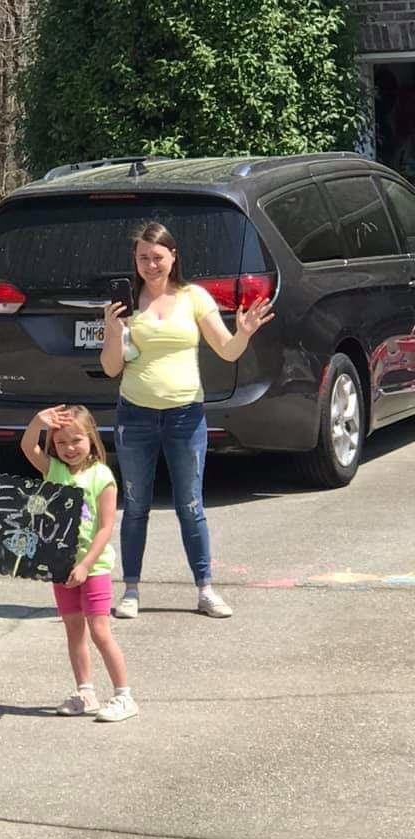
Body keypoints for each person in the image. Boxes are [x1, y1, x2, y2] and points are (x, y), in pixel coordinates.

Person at [101, 221, 273, 619]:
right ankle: (130, 591)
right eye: (142, 258)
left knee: (190, 504)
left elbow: (228, 351)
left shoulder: (194, 297)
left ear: (173, 256)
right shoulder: (126, 306)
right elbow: (111, 368)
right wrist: (112, 331)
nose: (150, 265)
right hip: (136, 416)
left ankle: (205, 589)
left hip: (185, 416)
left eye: (157, 257)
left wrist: (244, 331)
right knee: (137, 504)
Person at [21, 404, 138, 722]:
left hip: (93, 567)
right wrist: (37, 421)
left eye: (76, 440)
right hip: (61, 566)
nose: (69, 448)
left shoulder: (102, 476)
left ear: (91, 438)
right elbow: (27, 447)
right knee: (74, 630)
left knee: (100, 631)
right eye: (61, 443)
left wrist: (86, 564)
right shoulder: (54, 470)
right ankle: (85, 691)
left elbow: (105, 526)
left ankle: (124, 696)